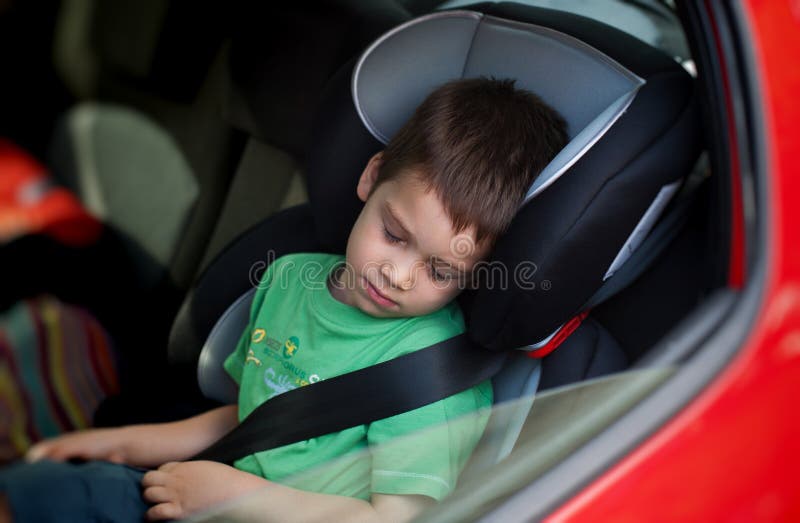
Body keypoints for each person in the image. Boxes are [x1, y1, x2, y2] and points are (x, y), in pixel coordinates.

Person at [0, 77, 568, 523]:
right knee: (35, 488)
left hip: (230, 502)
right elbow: (249, 414)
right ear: (372, 178)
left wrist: (233, 494)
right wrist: (115, 444)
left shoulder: (430, 378)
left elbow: (393, 518)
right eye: (394, 234)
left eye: (440, 269)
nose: (397, 274)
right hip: (209, 495)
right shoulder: (291, 278)